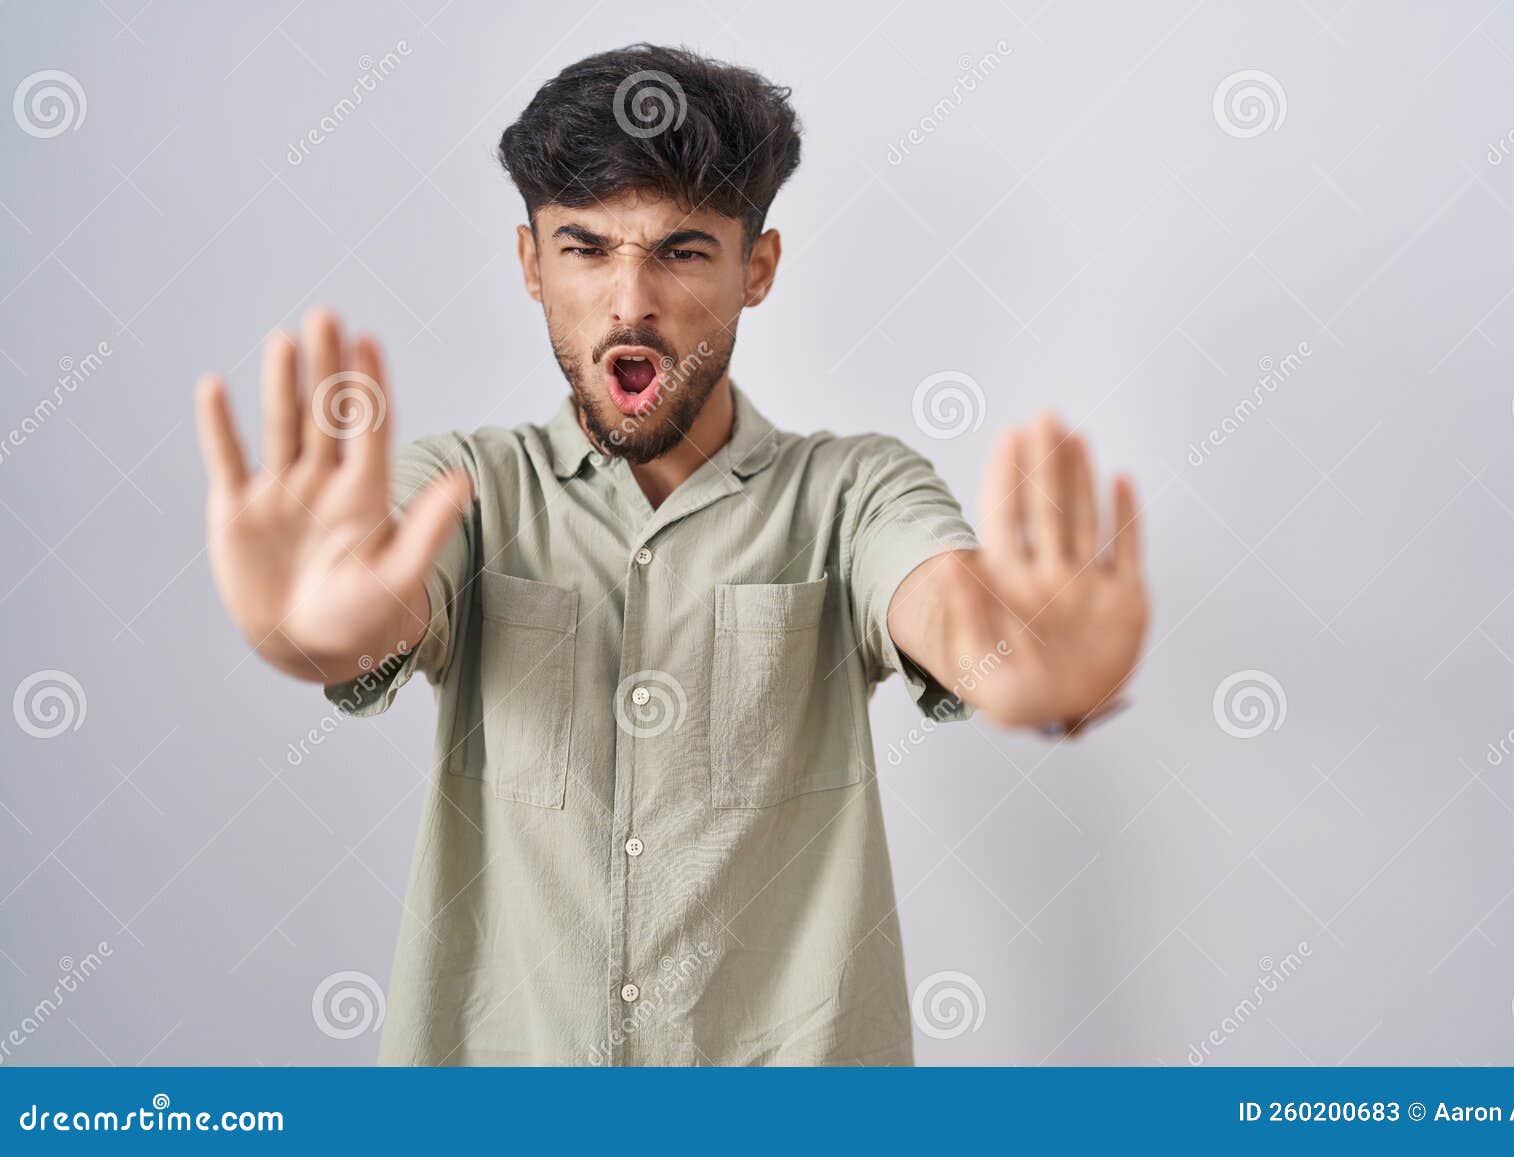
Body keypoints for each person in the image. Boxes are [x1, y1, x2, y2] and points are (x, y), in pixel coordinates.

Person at [193, 43, 1149, 1065]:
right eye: (586, 247)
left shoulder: (853, 491)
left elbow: (945, 605)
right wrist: (306, 630)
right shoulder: (464, 490)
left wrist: (1027, 669)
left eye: (683, 250)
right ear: (530, 264)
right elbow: (367, 601)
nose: (629, 301)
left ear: (757, 268)